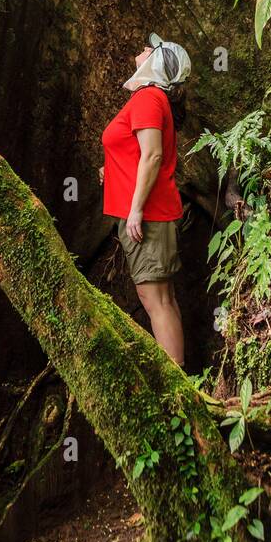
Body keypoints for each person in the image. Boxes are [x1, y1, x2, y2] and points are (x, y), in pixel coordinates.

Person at [100, 33, 191, 366]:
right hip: (146, 212)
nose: (141, 50)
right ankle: (180, 381)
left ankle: (179, 388)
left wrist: (137, 209)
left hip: (149, 213)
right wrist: (111, 168)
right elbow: (139, 152)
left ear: (156, 63)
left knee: (158, 300)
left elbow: (153, 156)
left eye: (149, 49)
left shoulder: (148, 98)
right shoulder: (149, 98)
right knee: (158, 297)